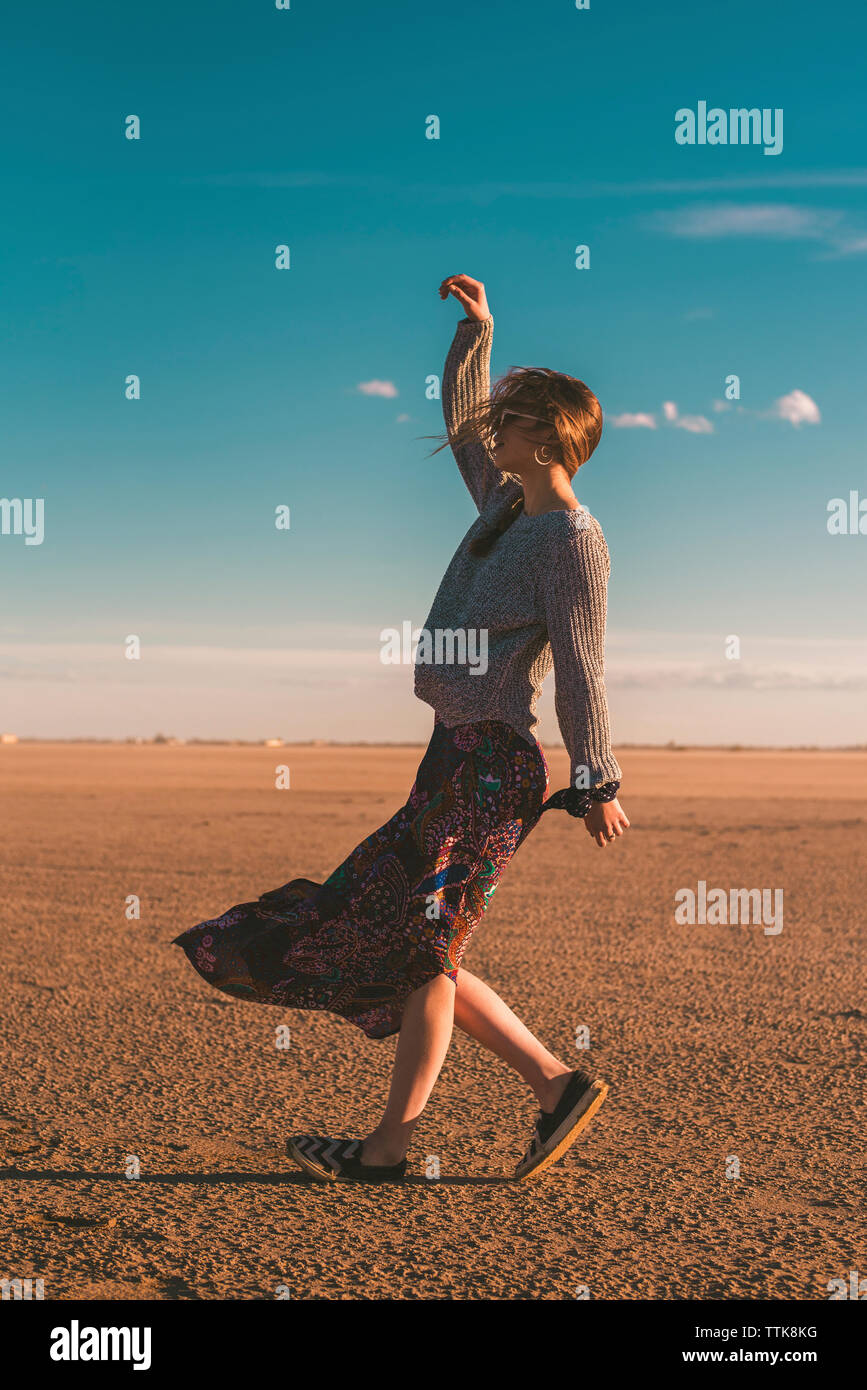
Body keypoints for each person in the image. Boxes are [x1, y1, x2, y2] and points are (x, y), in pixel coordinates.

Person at [172, 273, 629, 1183]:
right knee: (418, 941)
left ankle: (387, 1149)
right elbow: (461, 429)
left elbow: (580, 663)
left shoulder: (573, 542)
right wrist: (477, 338)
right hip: (448, 760)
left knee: (425, 948)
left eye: (511, 418)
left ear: (546, 437)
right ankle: (553, 1086)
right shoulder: (502, 510)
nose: (493, 427)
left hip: (493, 767)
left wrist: (598, 777)